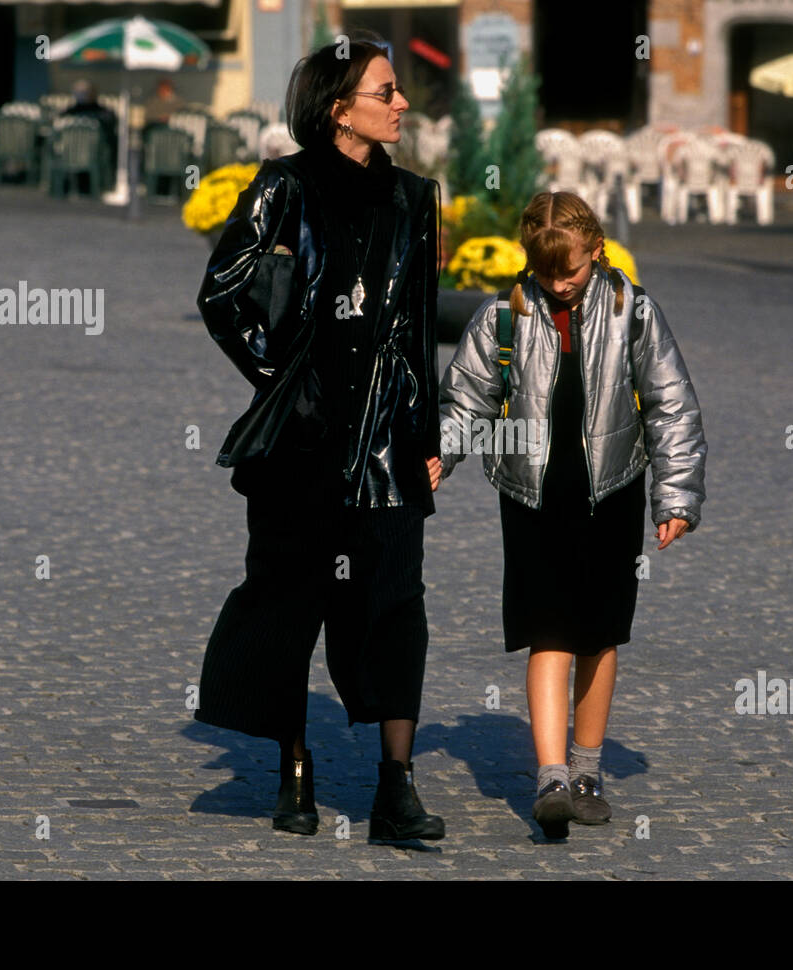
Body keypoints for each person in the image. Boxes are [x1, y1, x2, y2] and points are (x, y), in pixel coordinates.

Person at [194, 36, 447, 843]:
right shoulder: (285, 186)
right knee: (291, 604)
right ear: (340, 109)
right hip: (299, 449)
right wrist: (283, 376)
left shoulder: (414, 197)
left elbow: (416, 330)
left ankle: (395, 788)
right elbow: (222, 290)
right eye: (386, 91)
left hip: (386, 443)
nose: (401, 103)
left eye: (399, 90)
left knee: (394, 609)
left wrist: (427, 430)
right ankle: (294, 769)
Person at [437, 191, 707, 839]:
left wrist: (676, 498)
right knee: (548, 628)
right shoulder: (503, 313)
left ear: (598, 251)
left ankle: (588, 770)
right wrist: (441, 454)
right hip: (530, 494)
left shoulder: (633, 312)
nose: (560, 284)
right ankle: (552, 777)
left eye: (572, 271)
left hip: (612, 489)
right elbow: (466, 398)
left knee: (601, 631)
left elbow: (672, 406)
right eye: (547, 271)